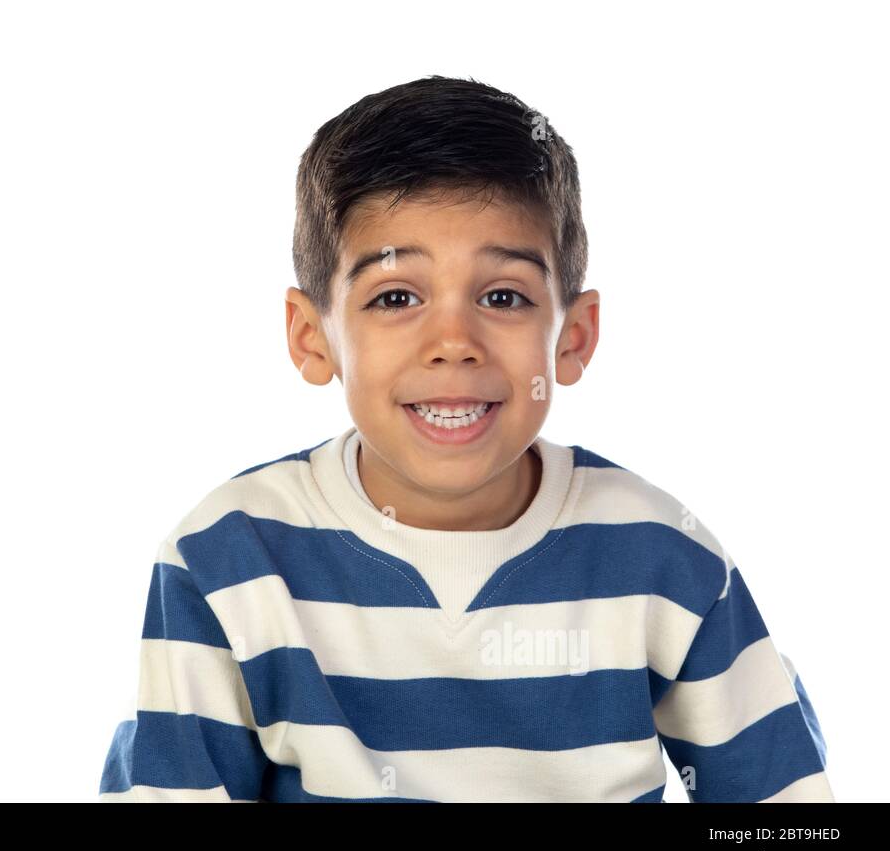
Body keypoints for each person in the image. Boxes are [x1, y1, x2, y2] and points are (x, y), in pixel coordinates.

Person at [97, 75, 832, 802]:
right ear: (312, 337)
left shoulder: (665, 555)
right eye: (396, 297)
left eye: (503, 296)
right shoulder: (227, 557)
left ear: (573, 339)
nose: (454, 341)